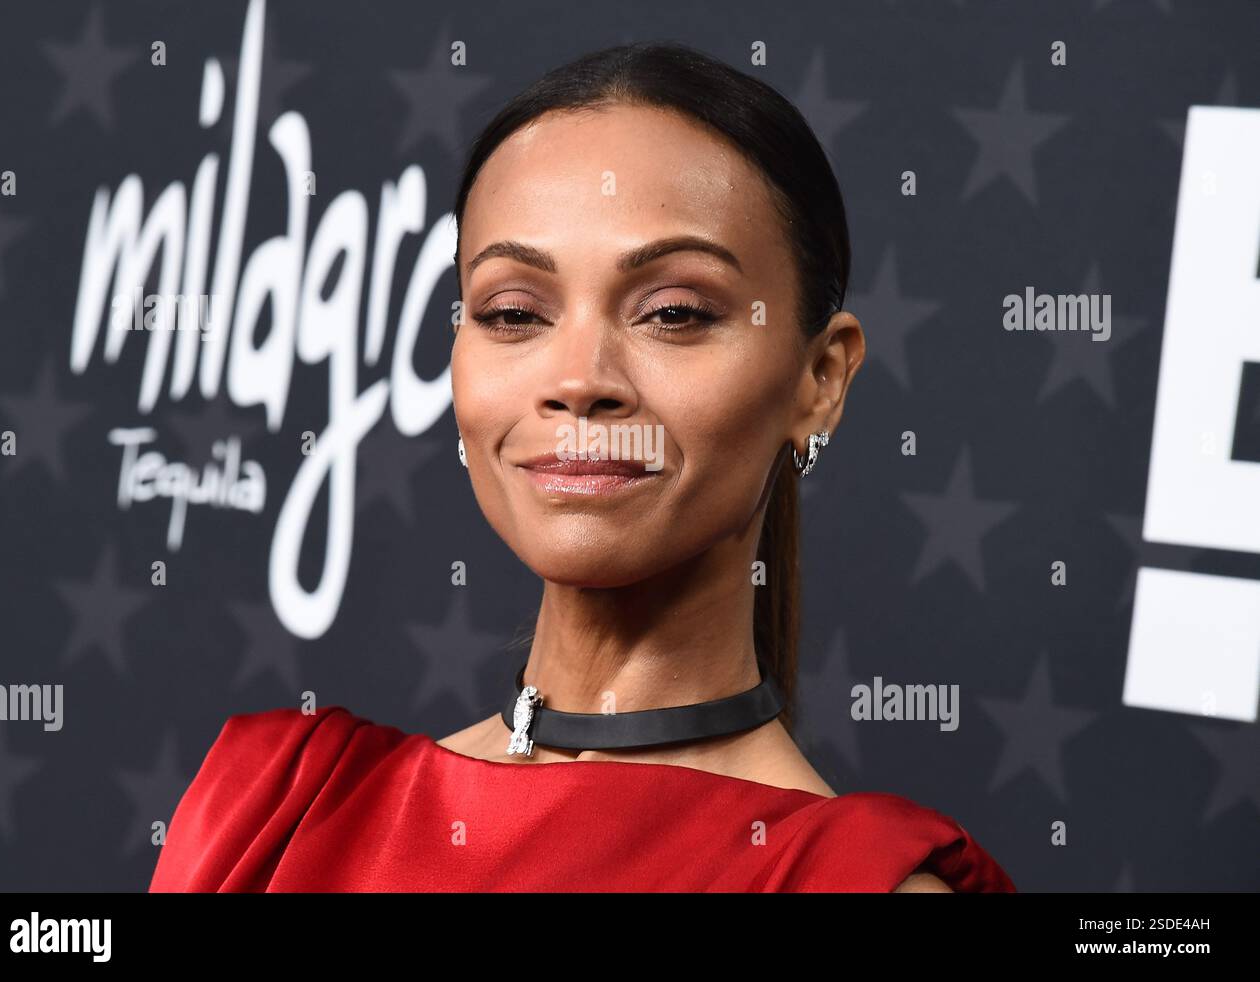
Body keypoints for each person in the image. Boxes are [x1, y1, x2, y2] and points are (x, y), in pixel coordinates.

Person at [150, 40, 1016, 893]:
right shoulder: (276, 812)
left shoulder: (845, 882)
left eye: (674, 312)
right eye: (514, 312)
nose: (579, 382)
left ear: (820, 379)